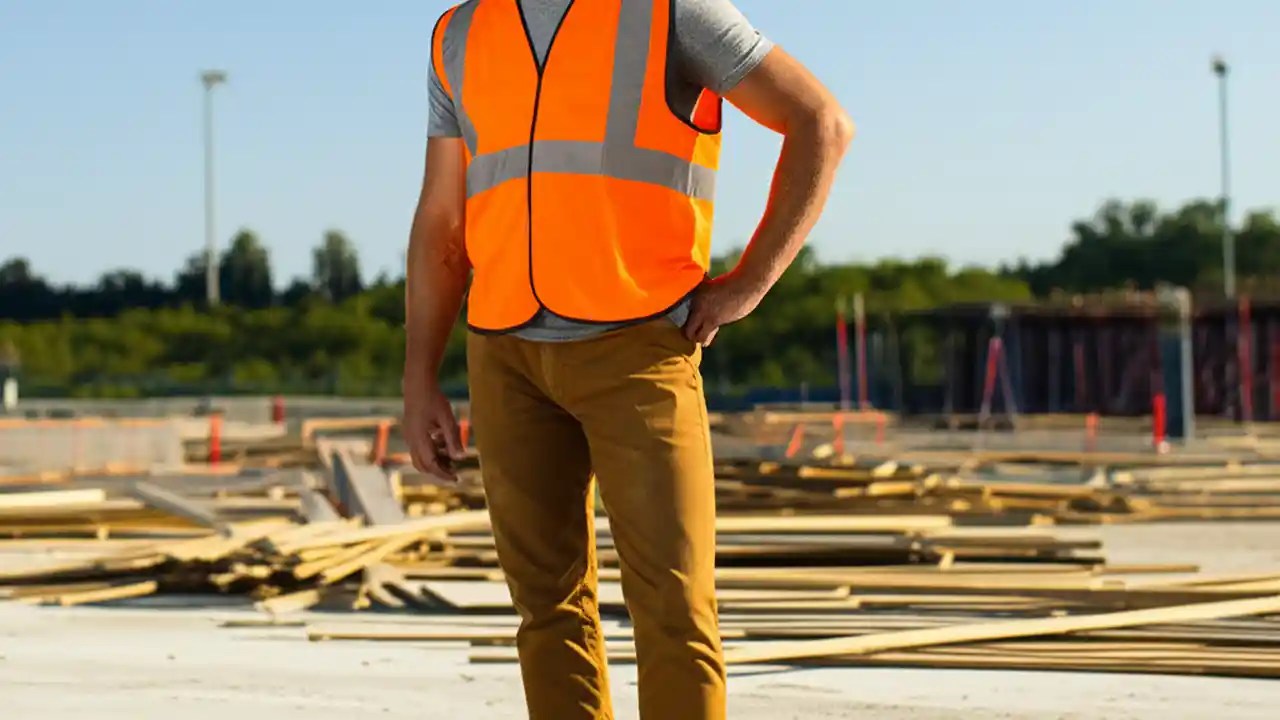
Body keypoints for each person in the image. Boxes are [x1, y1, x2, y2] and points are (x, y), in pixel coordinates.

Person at [403, 1, 852, 717]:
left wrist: (749, 283)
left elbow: (821, 122)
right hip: (504, 354)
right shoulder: (460, 33)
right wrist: (418, 376)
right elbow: (442, 216)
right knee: (545, 609)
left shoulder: (671, 12)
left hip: (638, 347)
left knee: (674, 607)